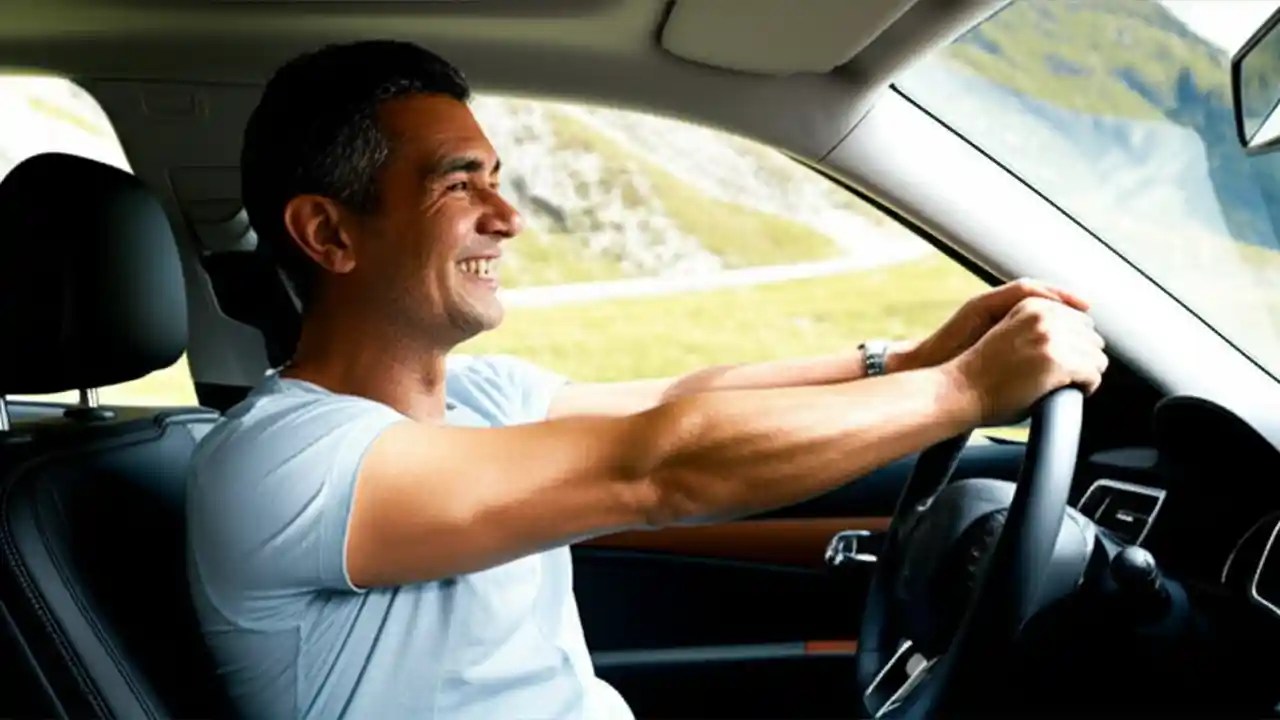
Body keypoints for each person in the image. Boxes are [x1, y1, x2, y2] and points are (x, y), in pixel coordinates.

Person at [186, 39, 1107, 720]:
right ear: (330, 234)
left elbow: (679, 405)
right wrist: (962, 397)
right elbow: (656, 468)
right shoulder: (285, 464)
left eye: (497, 180)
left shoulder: (477, 400)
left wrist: (910, 364)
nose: (507, 217)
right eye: (459, 184)